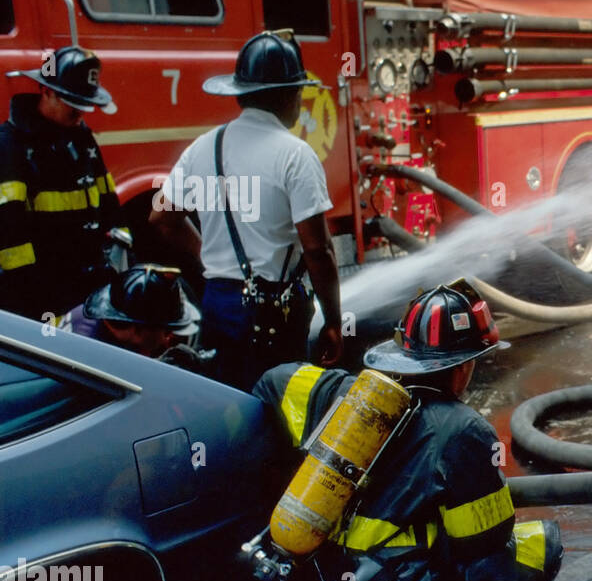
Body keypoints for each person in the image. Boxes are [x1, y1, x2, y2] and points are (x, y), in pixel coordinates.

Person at [254, 281, 563, 581]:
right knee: (535, 549)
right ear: (461, 368)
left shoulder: (343, 393)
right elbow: (486, 554)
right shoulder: (463, 431)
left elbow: (272, 382)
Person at [150, 31, 342, 391]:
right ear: (287, 95)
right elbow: (318, 249)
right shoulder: (295, 154)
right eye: (300, 93)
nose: (301, 102)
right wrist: (333, 320)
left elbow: (161, 217)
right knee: (276, 405)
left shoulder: (201, 147)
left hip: (218, 301)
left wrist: (209, 258)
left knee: (225, 400)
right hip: (275, 312)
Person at [0, 46, 133, 322]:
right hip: (37, 296)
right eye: (73, 105)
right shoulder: (10, 146)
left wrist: (120, 251)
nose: (80, 114)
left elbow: (108, 202)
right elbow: (9, 235)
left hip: (87, 287)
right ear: (47, 91)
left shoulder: (81, 138)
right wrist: (28, 303)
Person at [69, 263, 199, 359]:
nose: (167, 340)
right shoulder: (93, 353)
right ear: (137, 330)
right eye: (167, 331)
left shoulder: (111, 318)